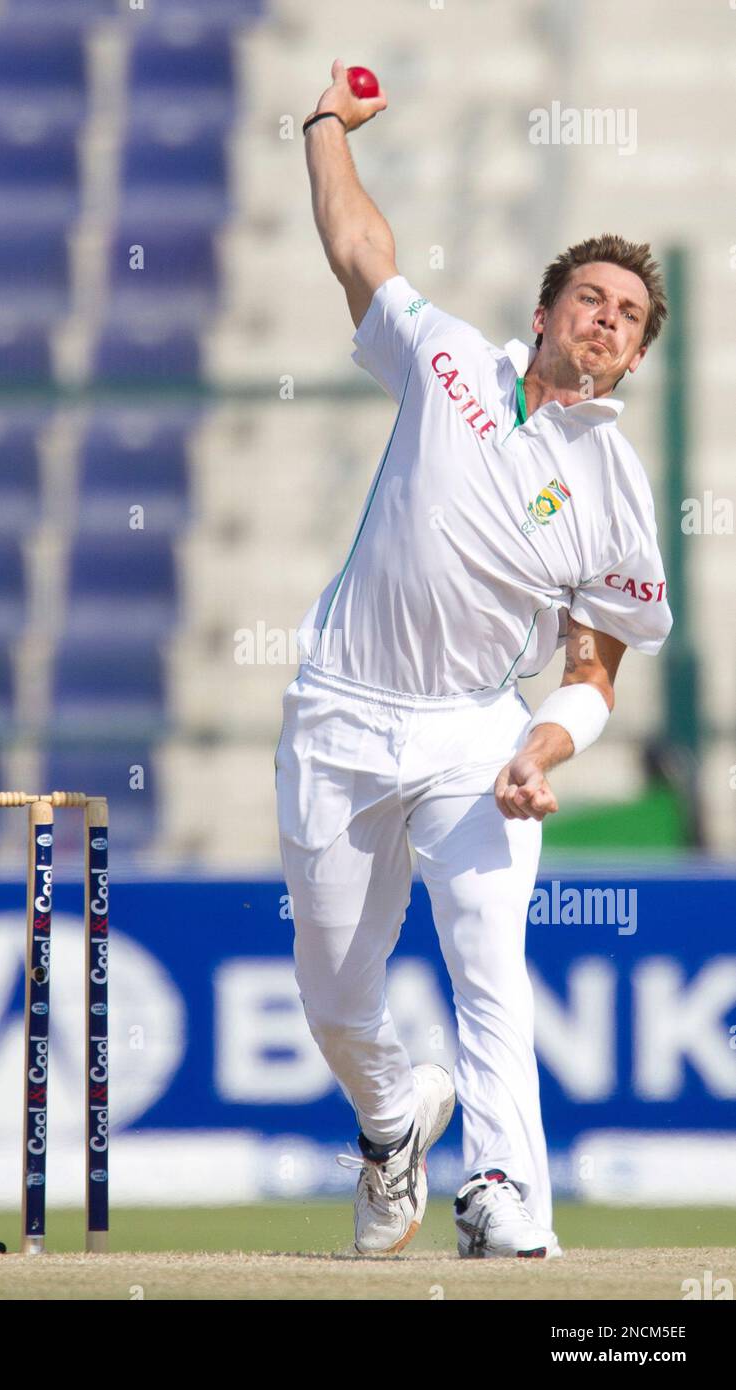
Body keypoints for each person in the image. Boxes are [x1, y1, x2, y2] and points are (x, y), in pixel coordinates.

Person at [274, 61, 673, 1258]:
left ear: (635, 357)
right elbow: (355, 248)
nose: (606, 319)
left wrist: (544, 746)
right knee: (337, 1004)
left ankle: (504, 1200)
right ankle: (394, 1120)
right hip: (338, 712)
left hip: (474, 735)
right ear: (547, 309)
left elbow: (595, 676)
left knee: (491, 968)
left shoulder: (616, 492)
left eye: (630, 318)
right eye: (591, 299)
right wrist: (325, 123)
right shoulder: (447, 360)